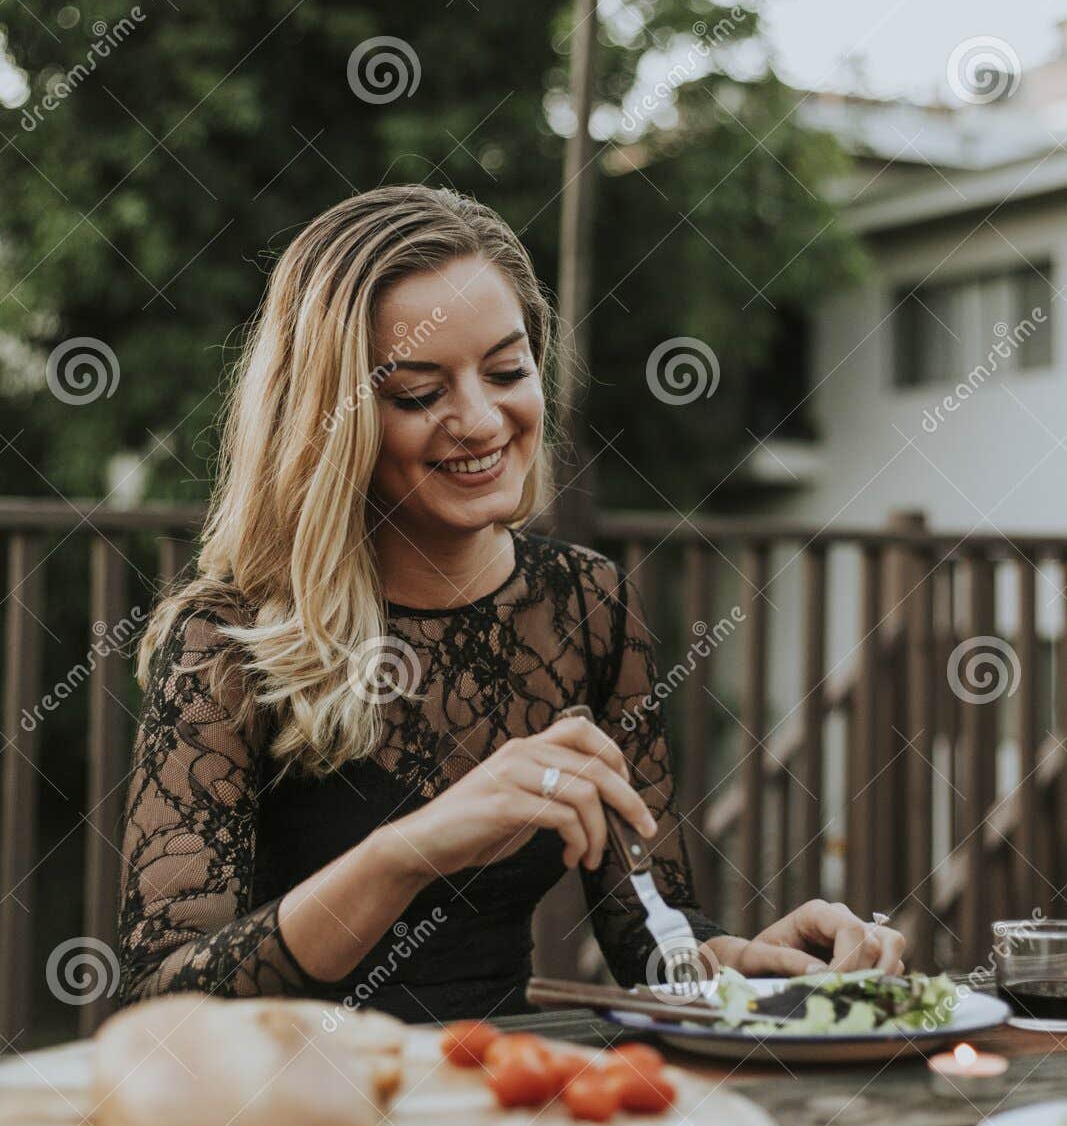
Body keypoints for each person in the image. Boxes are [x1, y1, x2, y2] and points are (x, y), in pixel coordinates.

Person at [117, 186, 905, 1023]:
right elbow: (163, 995)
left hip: (503, 1100)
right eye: (420, 392)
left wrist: (742, 961)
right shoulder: (228, 640)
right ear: (329, 420)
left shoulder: (586, 603)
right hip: (304, 1120)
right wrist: (408, 852)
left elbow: (648, 933)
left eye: (505, 370)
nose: (481, 419)